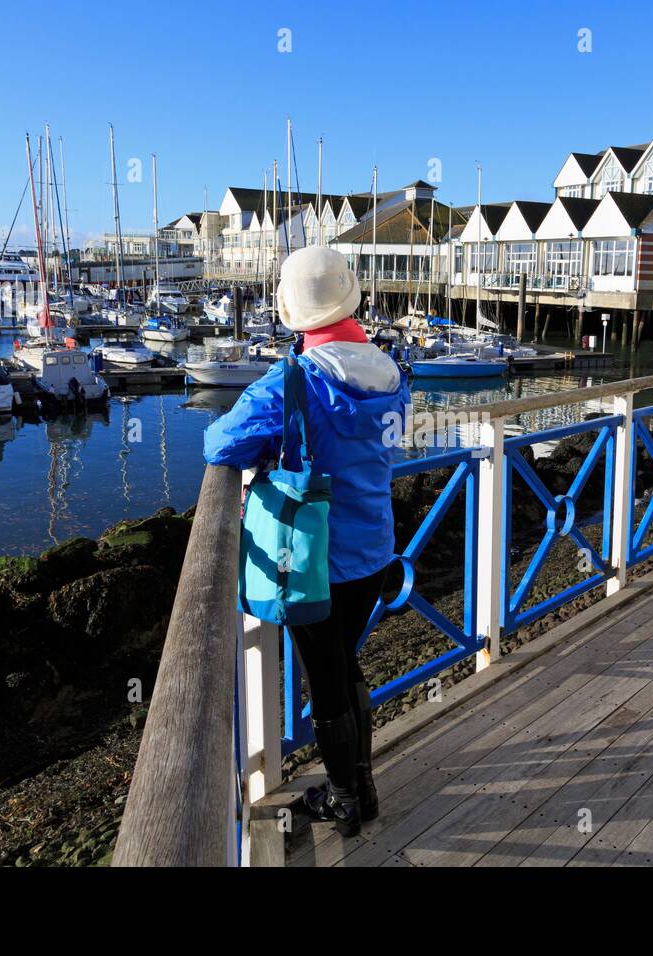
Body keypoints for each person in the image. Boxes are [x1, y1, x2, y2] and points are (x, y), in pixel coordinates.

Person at [203, 247, 408, 836]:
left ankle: (346, 799)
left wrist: (278, 444)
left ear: (293, 310)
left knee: (325, 682)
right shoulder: (391, 372)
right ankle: (362, 786)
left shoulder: (295, 379)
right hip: (375, 551)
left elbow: (221, 444)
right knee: (347, 667)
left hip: (312, 561)